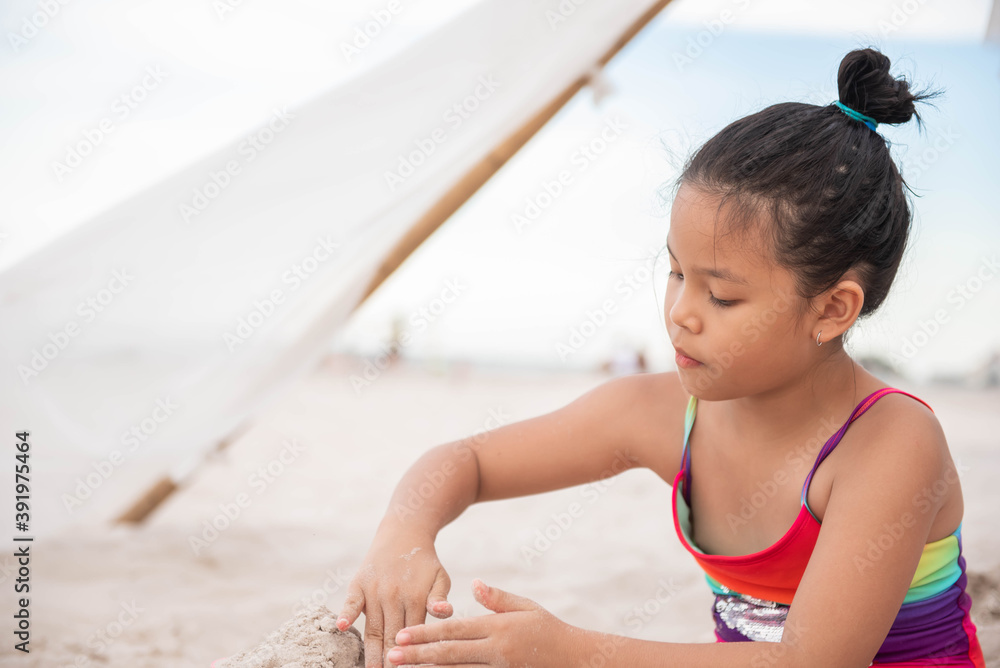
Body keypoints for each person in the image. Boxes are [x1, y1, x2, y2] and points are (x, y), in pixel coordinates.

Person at [335, 48, 986, 667]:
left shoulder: (891, 441)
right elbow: (467, 461)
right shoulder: (659, 415)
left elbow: (815, 658)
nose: (680, 312)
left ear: (832, 309)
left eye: (723, 295)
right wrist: (404, 531)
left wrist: (570, 653)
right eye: (676, 273)